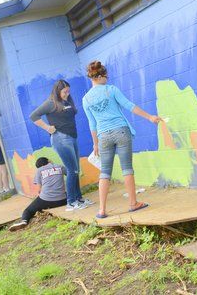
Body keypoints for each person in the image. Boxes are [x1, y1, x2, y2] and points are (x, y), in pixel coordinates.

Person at [82, 61, 161, 219]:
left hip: (103, 136)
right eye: (106, 76)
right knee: (127, 168)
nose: (107, 79)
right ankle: (133, 203)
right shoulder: (111, 90)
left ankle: (102, 210)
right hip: (121, 131)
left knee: (104, 172)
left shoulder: (86, 99)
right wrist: (150, 117)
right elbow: (129, 105)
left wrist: (95, 144)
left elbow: (92, 124)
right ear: (101, 76)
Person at [30, 80, 92, 211]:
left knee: (76, 170)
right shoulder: (51, 103)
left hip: (72, 137)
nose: (67, 94)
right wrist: (47, 128)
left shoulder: (67, 101)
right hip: (60, 139)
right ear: (57, 91)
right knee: (71, 170)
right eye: (64, 92)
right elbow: (33, 115)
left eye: (68, 91)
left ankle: (78, 199)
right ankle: (70, 202)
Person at [8, 157, 68, 231]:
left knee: (28, 210)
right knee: (67, 193)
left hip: (46, 200)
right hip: (63, 200)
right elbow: (70, 175)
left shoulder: (39, 171)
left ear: (39, 167)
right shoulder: (59, 166)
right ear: (49, 160)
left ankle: (24, 221)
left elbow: (39, 190)